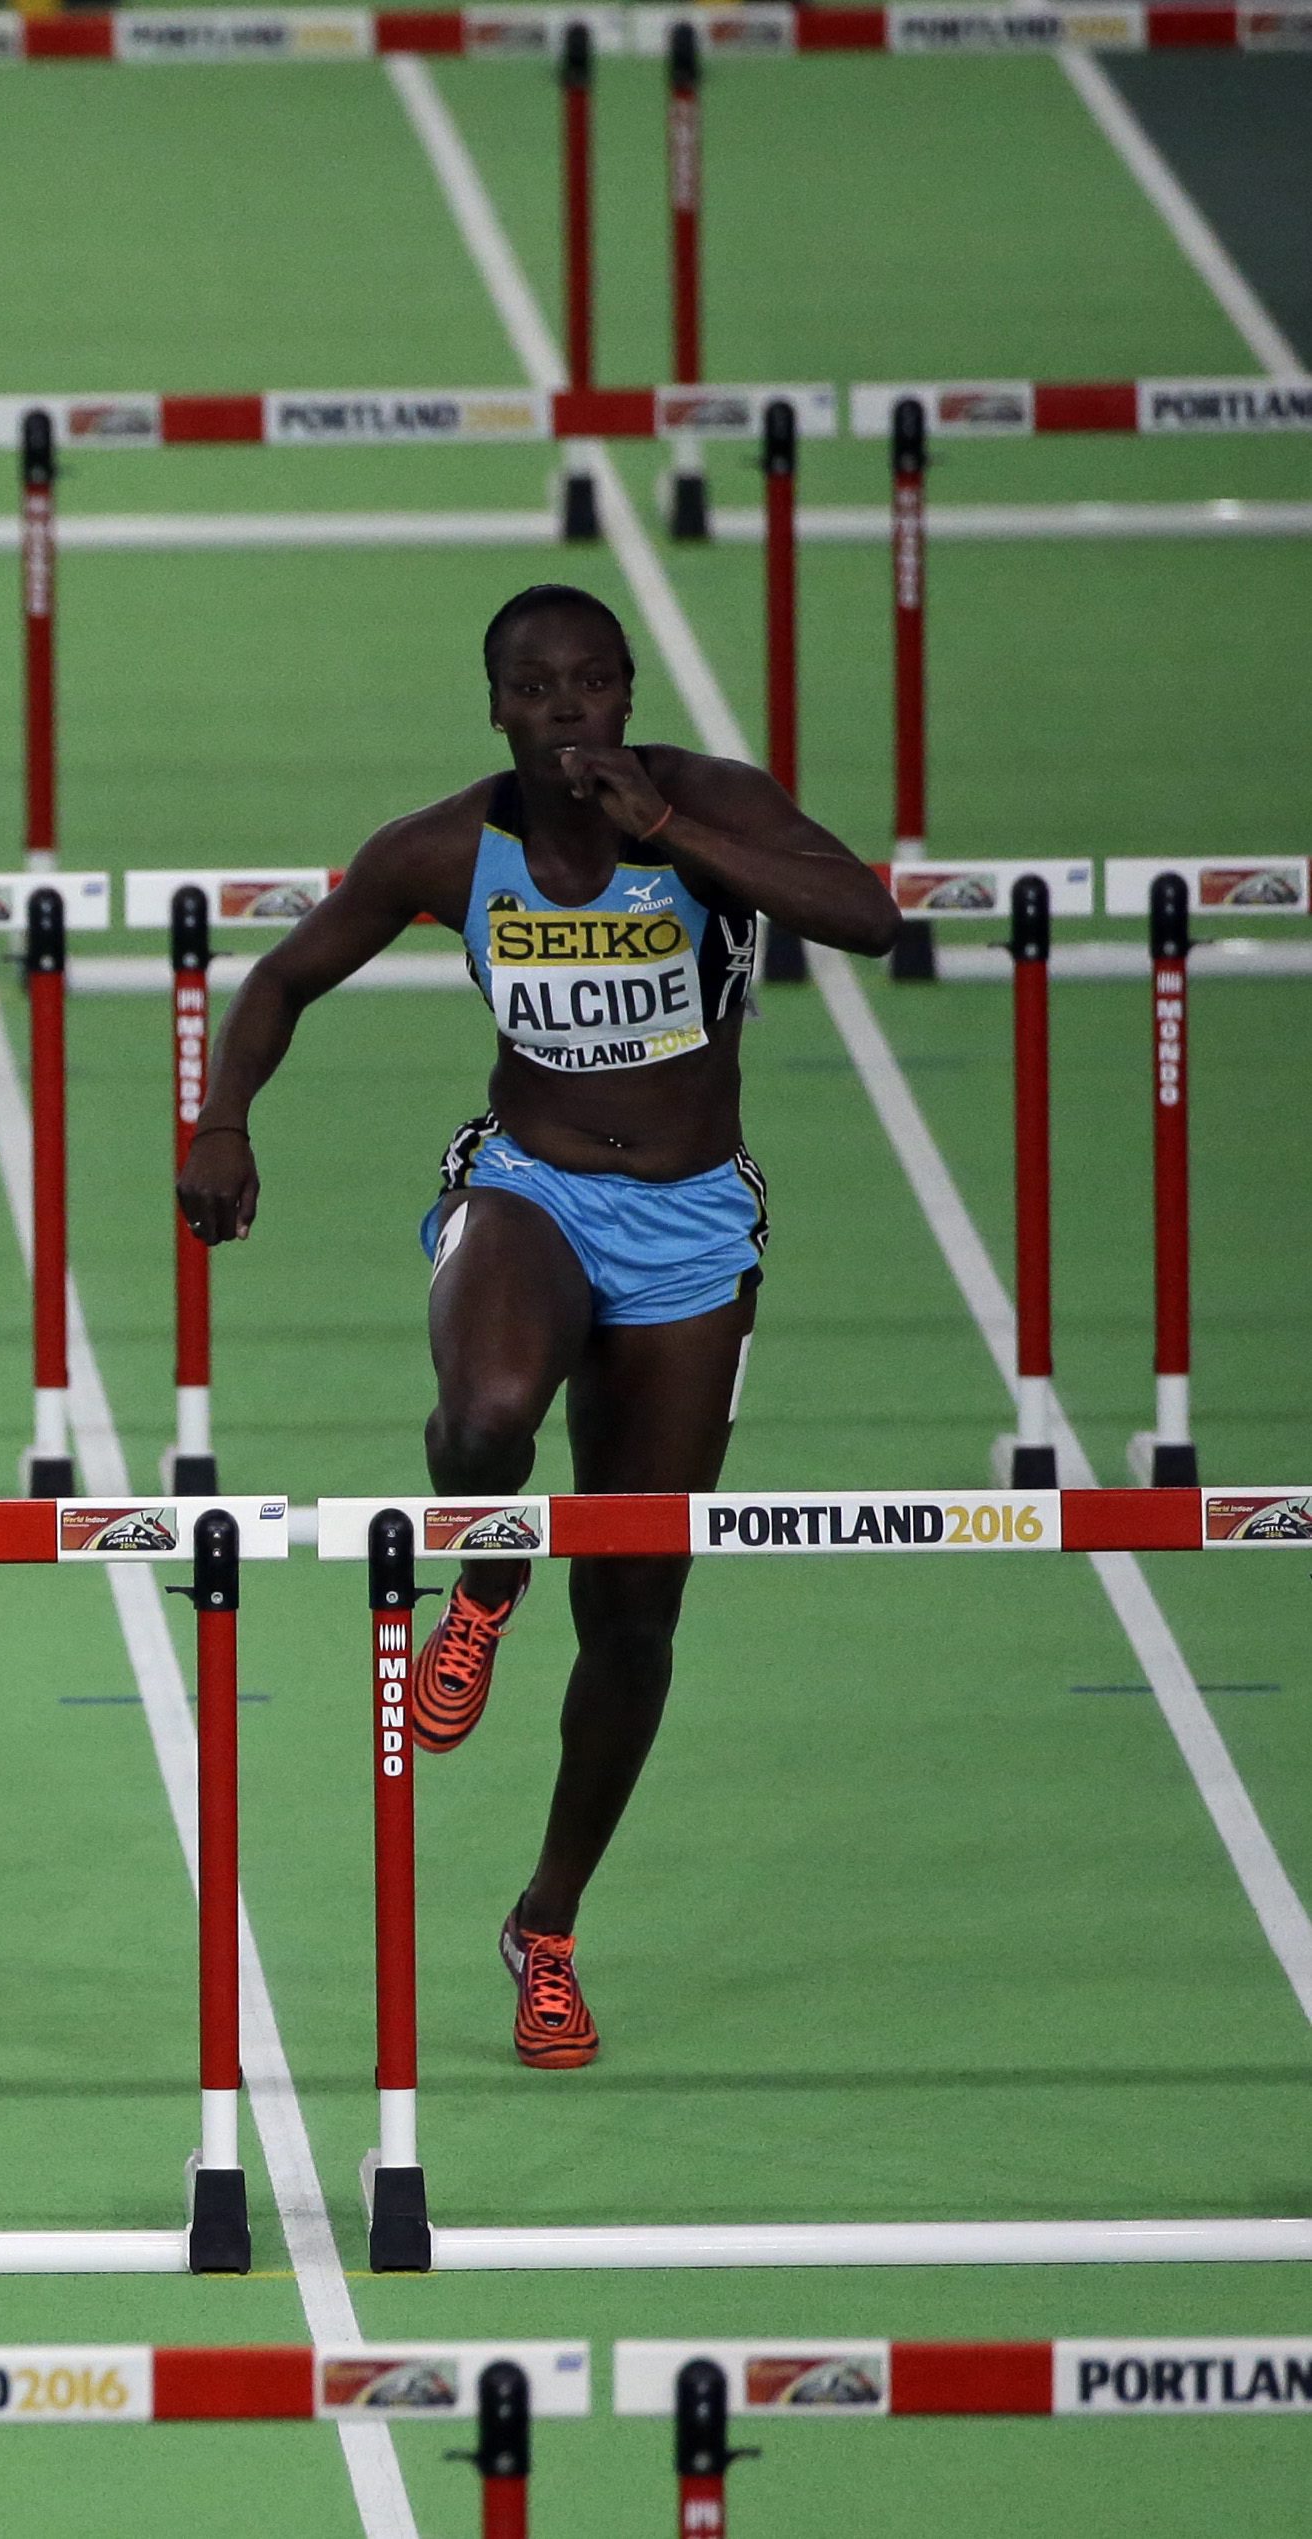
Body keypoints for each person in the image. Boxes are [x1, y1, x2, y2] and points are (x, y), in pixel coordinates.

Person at [176, 583, 896, 2069]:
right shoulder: (450, 845)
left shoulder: (706, 803)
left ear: (627, 693)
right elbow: (282, 974)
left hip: (693, 1227)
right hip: (531, 1184)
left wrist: (672, 837)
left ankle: (546, 1923)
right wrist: (222, 1119)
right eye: (537, 690)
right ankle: (485, 1573)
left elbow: (869, 918)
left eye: (592, 685)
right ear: (495, 708)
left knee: (634, 1613)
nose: (569, 713)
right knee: (491, 1413)